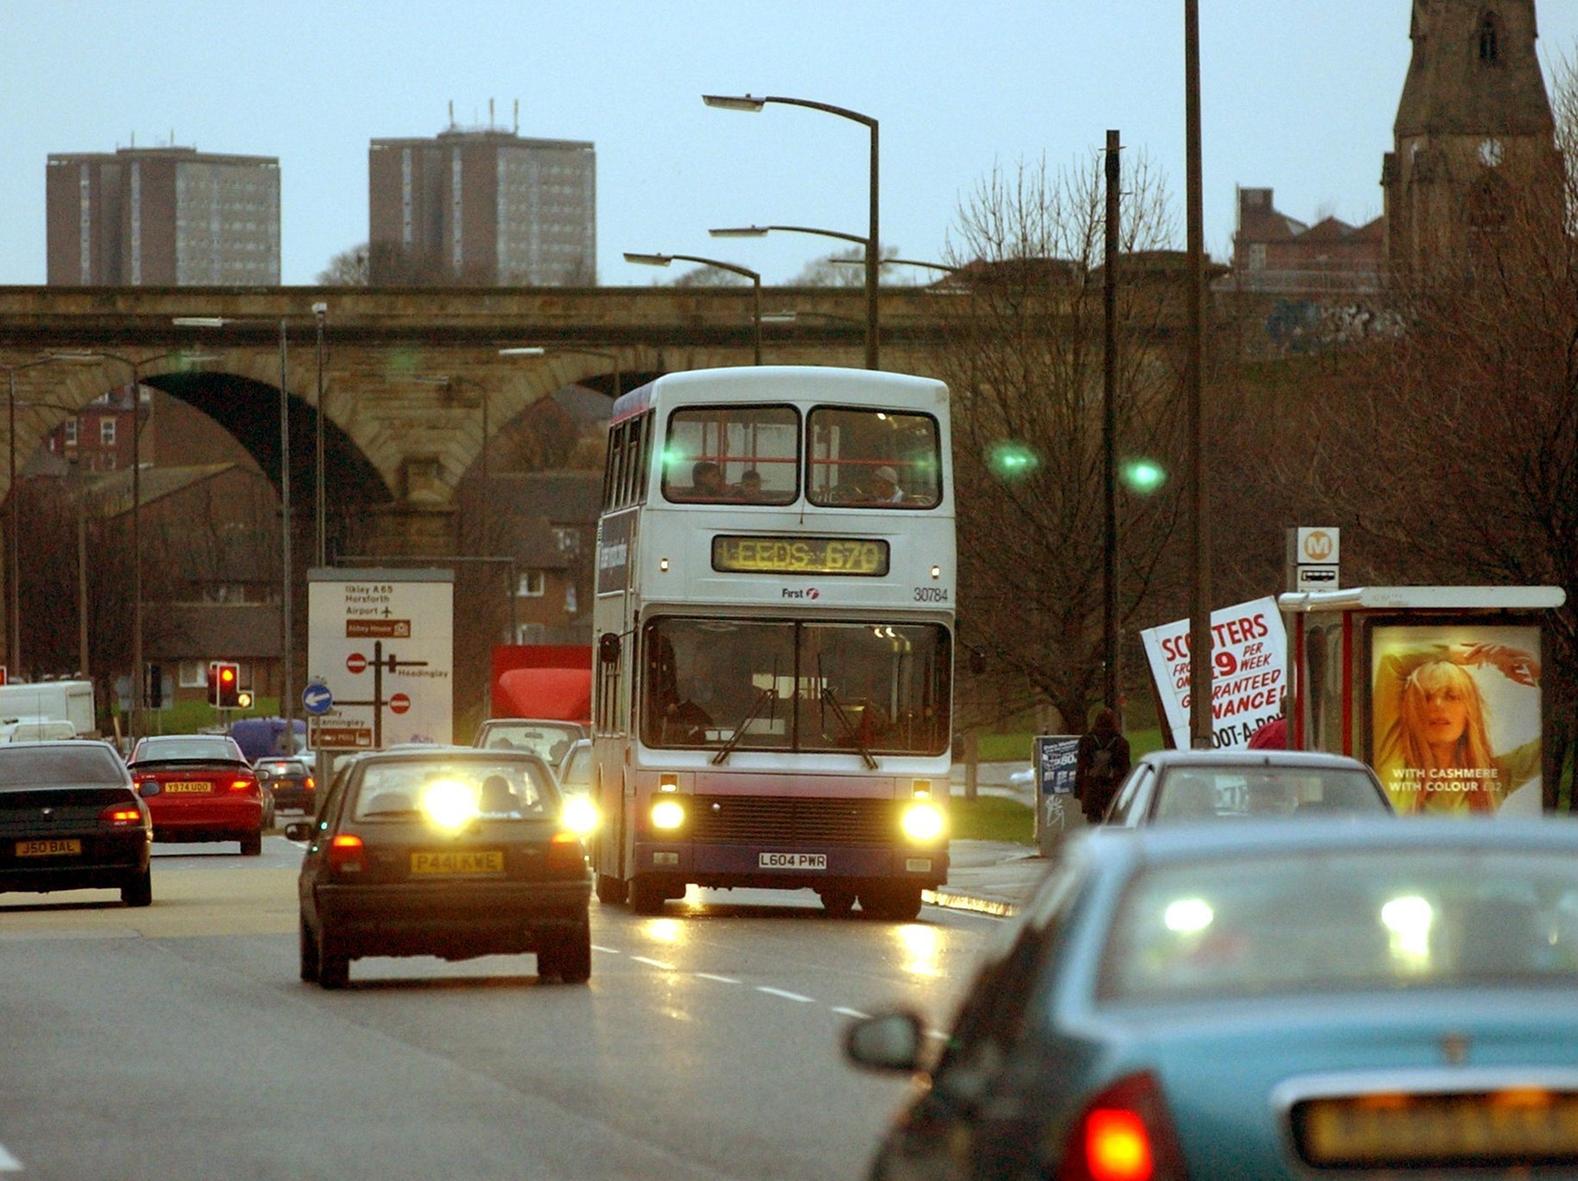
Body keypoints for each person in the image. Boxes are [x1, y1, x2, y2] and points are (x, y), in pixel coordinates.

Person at [1372, 639, 1542, 814]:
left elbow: (1562, 737)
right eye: (1426, 697)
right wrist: (1477, 656)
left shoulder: (1495, 776)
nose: (1438, 705)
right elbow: (1391, 659)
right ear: (1412, 710)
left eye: (1451, 696)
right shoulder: (1395, 766)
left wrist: (1539, 671)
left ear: (1470, 711)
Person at [1075, 708, 1130, 823]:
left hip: (1093, 788)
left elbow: (1081, 767)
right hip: (1112, 788)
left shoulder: (1086, 741)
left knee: (1093, 822)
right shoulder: (1121, 743)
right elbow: (1125, 769)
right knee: (1112, 822)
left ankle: (1096, 840)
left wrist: (1079, 791)